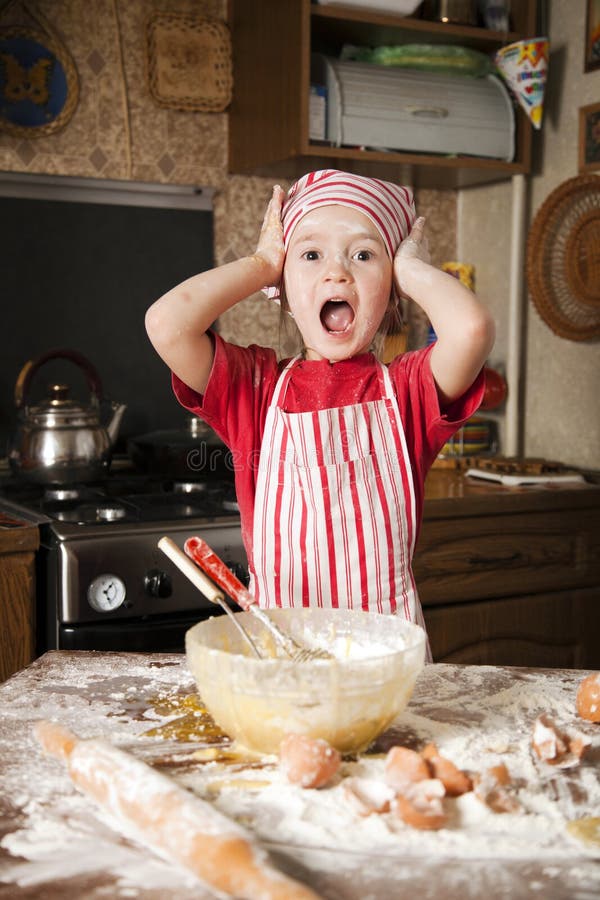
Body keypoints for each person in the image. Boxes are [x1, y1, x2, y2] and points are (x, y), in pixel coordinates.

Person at [145, 170, 495, 655]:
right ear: (285, 290)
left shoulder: (409, 392)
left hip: (386, 661)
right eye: (310, 255)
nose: (338, 273)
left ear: (391, 289)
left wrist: (410, 269)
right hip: (282, 657)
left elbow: (471, 329)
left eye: (364, 255)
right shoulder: (255, 389)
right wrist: (263, 264)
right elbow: (167, 324)